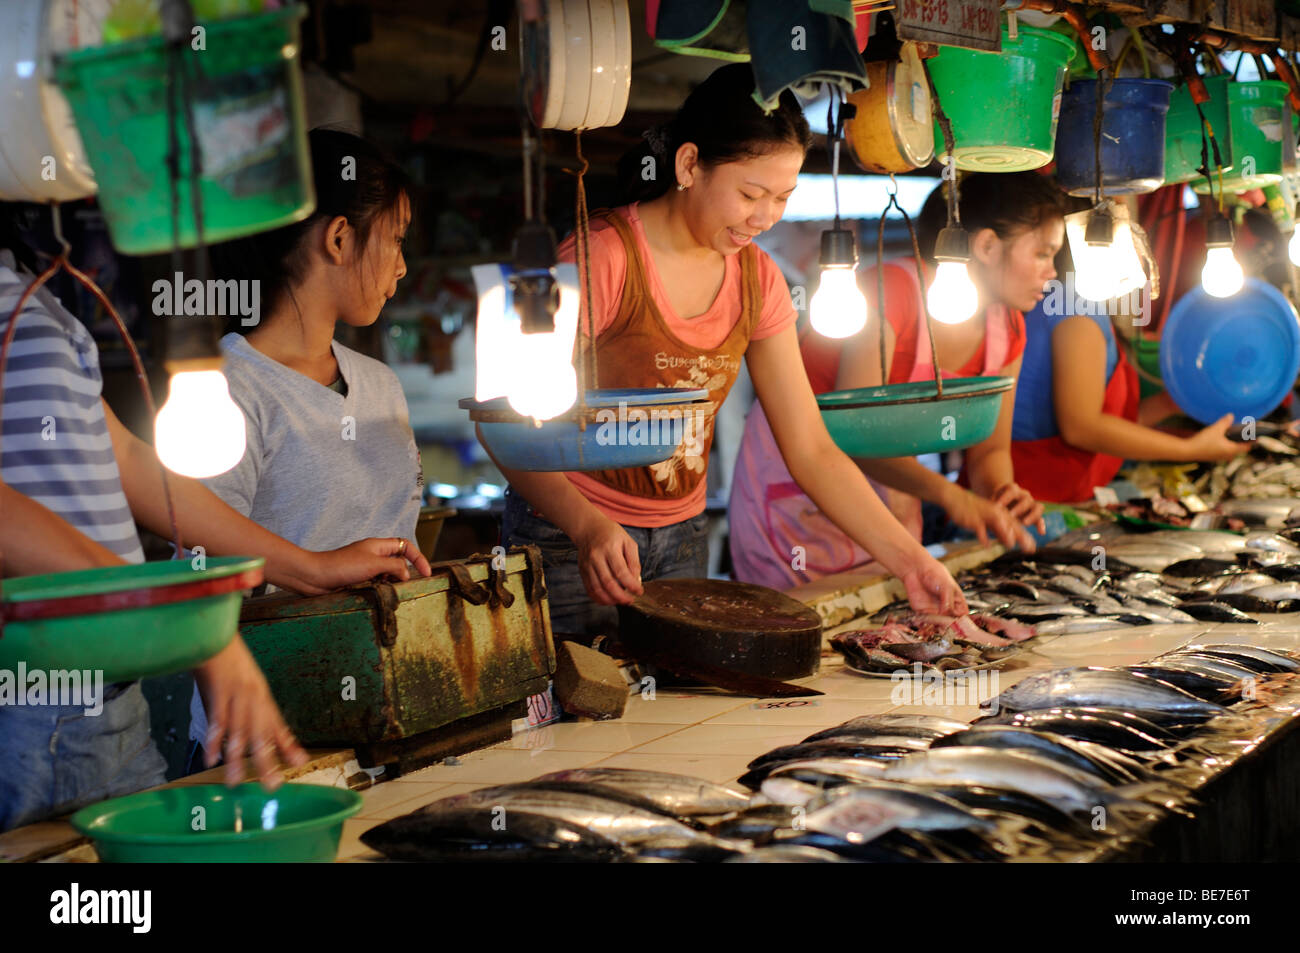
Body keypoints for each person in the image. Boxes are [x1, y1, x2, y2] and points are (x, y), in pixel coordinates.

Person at [487, 63, 967, 638]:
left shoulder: (758, 280)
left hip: (681, 536)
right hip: (566, 535)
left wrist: (912, 561)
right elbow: (501, 422)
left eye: (783, 198)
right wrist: (587, 526)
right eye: (749, 194)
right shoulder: (602, 260)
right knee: (574, 716)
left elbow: (811, 448)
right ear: (689, 165)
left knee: (671, 715)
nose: (764, 218)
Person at [0, 214, 429, 832]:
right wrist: (199, 630)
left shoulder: (26, 290)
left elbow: (124, 458)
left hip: (108, 698)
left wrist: (310, 568)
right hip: (26, 706)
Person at [191, 129, 428, 766]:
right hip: (265, 733)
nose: (402, 266)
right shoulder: (227, 389)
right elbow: (196, 566)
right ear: (340, 238)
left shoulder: (380, 385)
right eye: (396, 238)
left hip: (392, 712)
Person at [729, 172, 1061, 591]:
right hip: (799, 484)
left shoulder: (1008, 328)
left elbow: (990, 450)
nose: (1051, 273)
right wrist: (950, 496)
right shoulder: (894, 291)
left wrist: (999, 495)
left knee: (891, 624)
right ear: (988, 246)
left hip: (894, 489)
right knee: (795, 625)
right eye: (1043, 254)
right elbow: (858, 439)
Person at [1010, 234, 1246, 504]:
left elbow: (1110, 424)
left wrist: (1172, 403)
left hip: (1056, 493)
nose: (1140, 248)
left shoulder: (1082, 302)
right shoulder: (1074, 308)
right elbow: (1082, 428)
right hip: (1032, 498)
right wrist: (1190, 449)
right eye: (1127, 233)